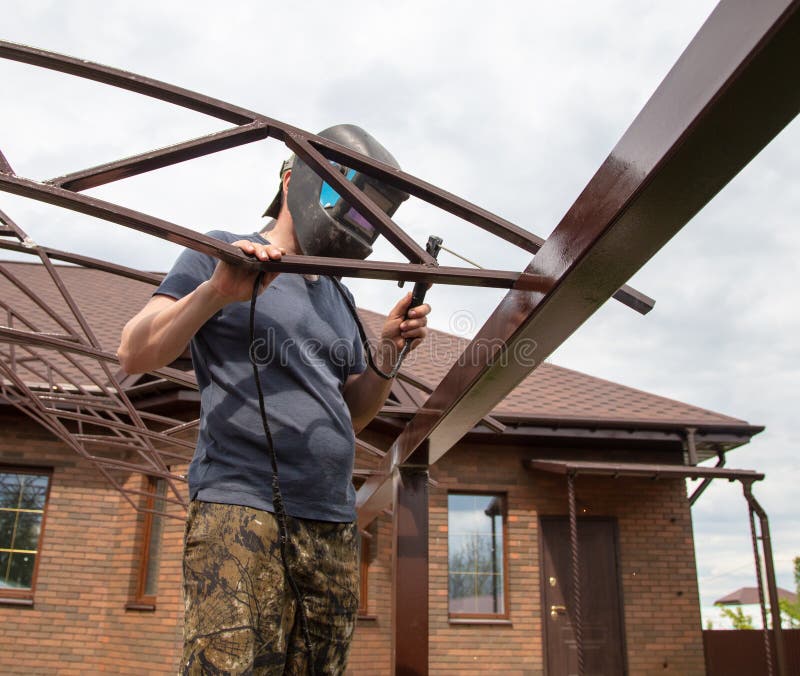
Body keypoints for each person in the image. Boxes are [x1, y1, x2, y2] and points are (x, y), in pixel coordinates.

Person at [117, 125, 431, 675]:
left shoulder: (339, 294)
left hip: (331, 521)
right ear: (293, 180)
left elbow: (354, 412)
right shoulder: (220, 255)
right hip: (242, 508)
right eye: (348, 202)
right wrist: (217, 291)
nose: (358, 222)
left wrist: (387, 349)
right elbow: (134, 353)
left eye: (371, 214)